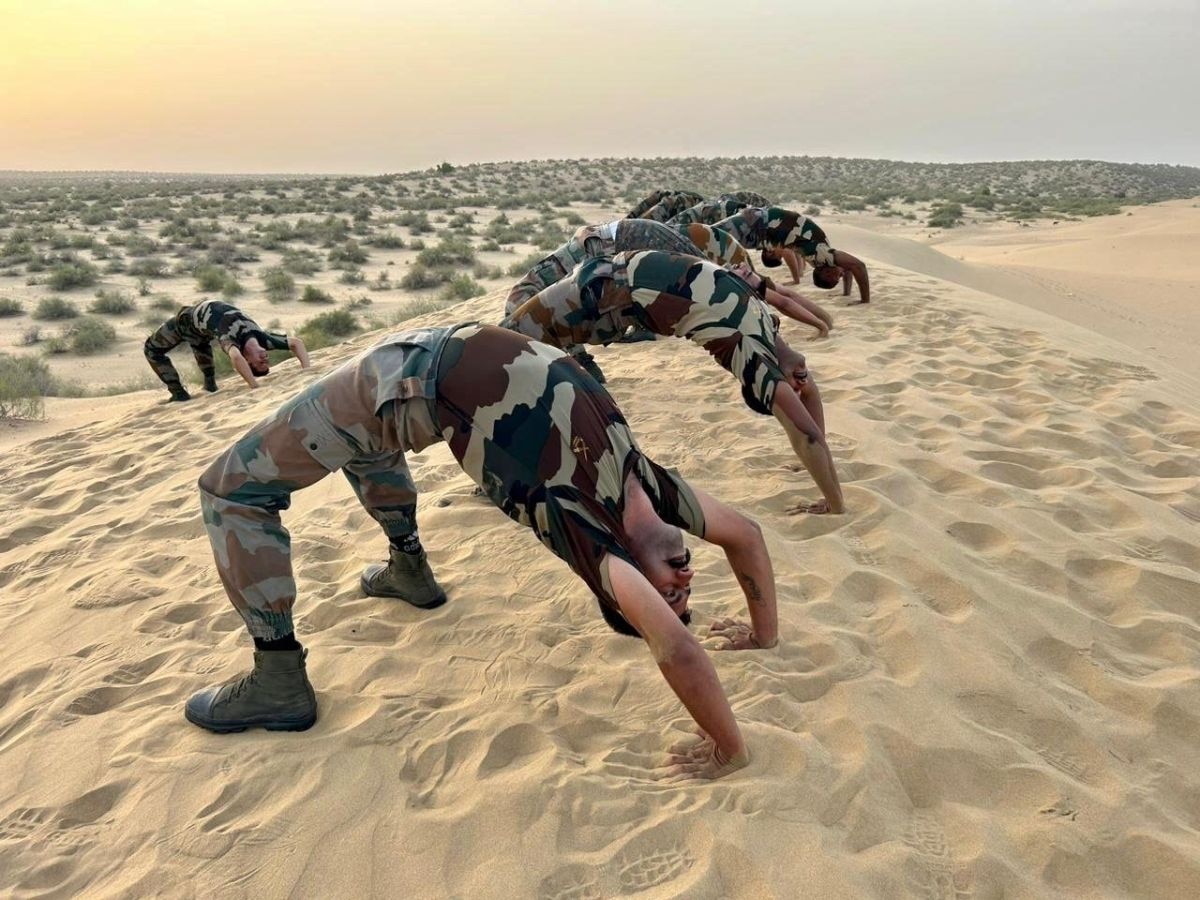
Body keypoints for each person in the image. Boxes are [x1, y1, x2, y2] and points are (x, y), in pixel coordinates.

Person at [187, 323, 778, 780]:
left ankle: (277, 678)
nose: (683, 579)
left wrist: (730, 748)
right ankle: (409, 569)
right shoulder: (655, 489)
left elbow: (674, 647)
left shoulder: (578, 524)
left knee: (231, 490)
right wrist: (763, 636)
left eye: (664, 594)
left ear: (622, 586)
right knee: (368, 442)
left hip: (404, 380)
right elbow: (746, 536)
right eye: (686, 589)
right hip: (417, 374)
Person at [502, 251, 845, 515]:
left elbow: (803, 385)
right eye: (789, 387)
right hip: (602, 293)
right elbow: (806, 433)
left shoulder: (765, 327)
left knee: (520, 355)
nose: (798, 386)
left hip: (625, 281)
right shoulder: (748, 350)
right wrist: (835, 504)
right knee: (507, 349)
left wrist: (813, 457)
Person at [143, 299, 310, 401]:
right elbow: (297, 343)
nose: (265, 359)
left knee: (152, 349)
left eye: (260, 364)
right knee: (200, 344)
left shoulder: (231, 342)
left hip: (187, 322)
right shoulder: (264, 340)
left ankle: (179, 392)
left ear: (248, 361)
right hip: (196, 323)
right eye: (267, 362)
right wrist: (307, 370)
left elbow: (236, 358)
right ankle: (209, 386)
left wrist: (253, 385)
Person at [716, 207, 871, 304]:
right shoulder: (822, 256)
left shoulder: (822, 257)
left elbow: (850, 268)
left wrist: (846, 293)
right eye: (838, 277)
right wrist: (864, 300)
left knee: (708, 241)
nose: (842, 274)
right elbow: (858, 266)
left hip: (756, 227)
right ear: (828, 272)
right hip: (755, 225)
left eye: (839, 276)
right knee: (706, 238)